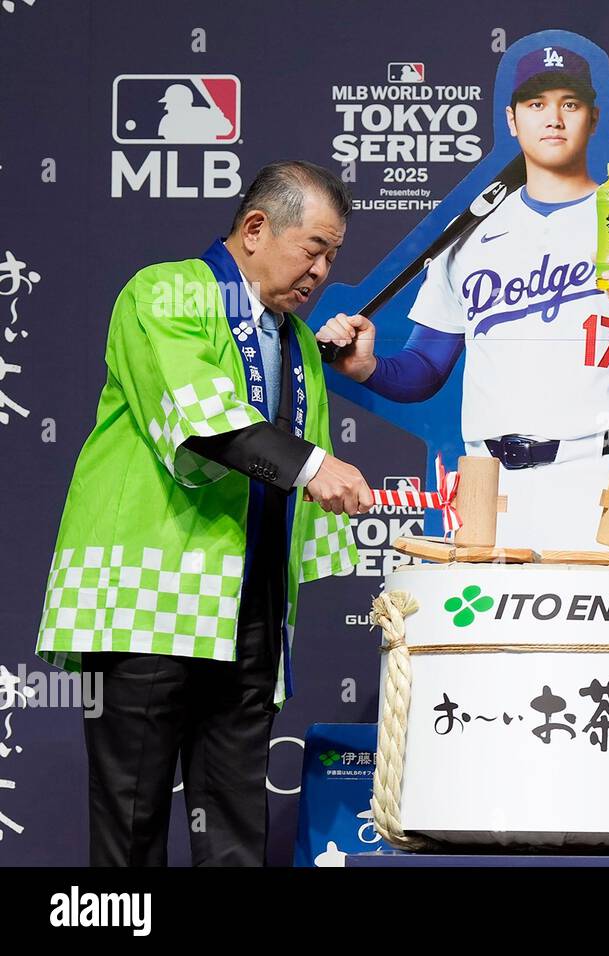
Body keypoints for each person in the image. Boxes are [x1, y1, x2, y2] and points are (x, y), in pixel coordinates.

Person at [35, 160, 373, 866]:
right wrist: (315, 465)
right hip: (148, 602)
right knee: (131, 823)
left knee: (234, 830)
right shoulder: (165, 293)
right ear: (255, 228)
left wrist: (340, 357)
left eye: (333, 256)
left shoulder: (296, 340)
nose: (321, 270)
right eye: (313, 248)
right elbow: (205, 416)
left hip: (249, 608)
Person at [317, 45, 609, 550]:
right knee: (489, 633)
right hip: (487, 484)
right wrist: (369, 370)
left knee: (600, 633)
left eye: (568, 103)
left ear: (593, 117)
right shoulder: (466, 232)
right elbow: (425, 367)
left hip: (601, 473)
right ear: (512, 119)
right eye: (535, 104)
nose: (552, 118)